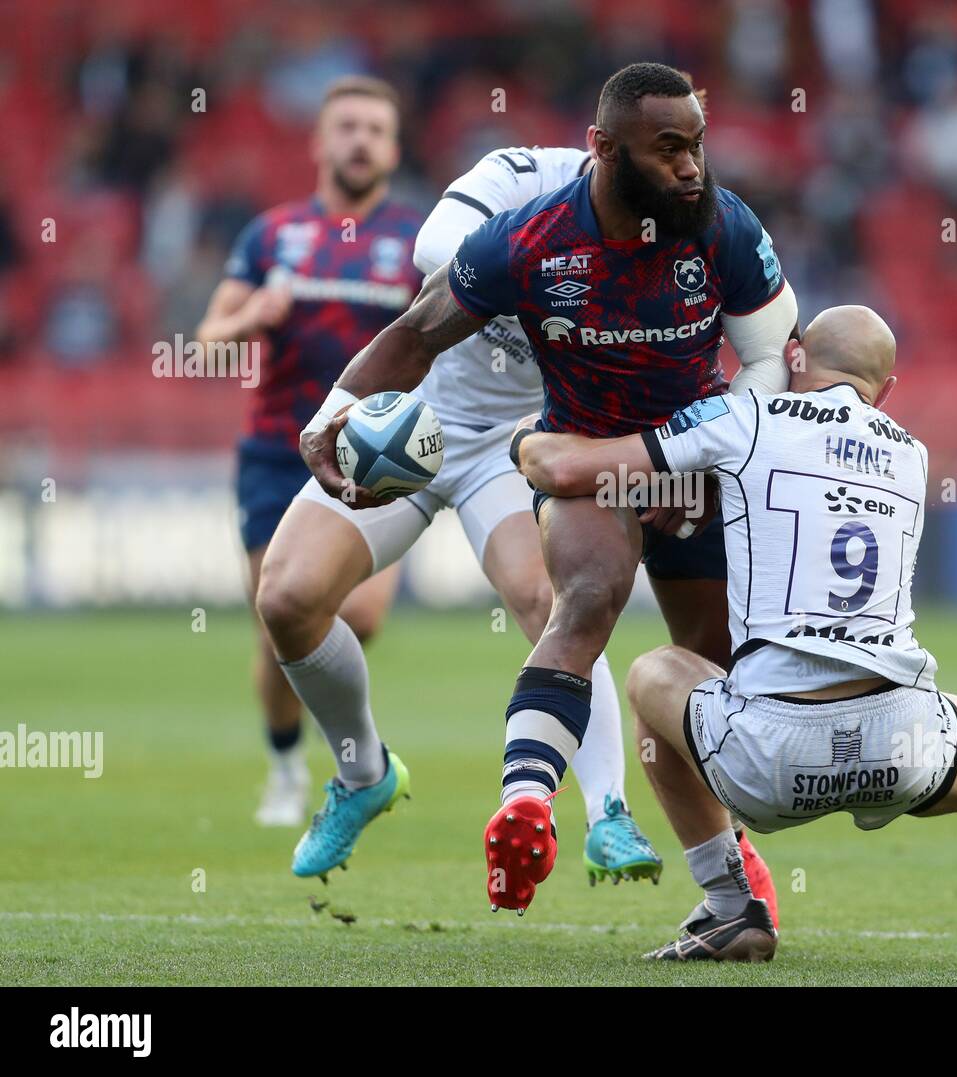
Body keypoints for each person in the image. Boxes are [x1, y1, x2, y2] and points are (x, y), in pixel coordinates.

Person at [514, 305, 957, 963]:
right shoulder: (912, 452)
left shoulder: (750, 418)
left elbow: (572, 467)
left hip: (767, 753)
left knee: (652, 674)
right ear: (886, 392)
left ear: (793, 357)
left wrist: (521, 441)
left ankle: (733, 906)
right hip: (900, 740)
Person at [296, 62, 798, 915]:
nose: (690, 167)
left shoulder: (721, 224)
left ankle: (727, 861)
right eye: (668, 148)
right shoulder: (529, 239)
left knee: (703, 679)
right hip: (584, 457)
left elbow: (768, 357)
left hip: (700, 463)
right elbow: (416, 333)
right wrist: (333, 411)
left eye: (697, 146)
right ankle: (529, 800)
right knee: (582, 603)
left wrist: (697, 454)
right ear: (604, 150)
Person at [257, 143, 665, 888]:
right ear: (595, 150)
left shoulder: (658, 232)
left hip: (520, 445)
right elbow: (433, 248)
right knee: (286, 597)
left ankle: (610, 810)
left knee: (555, 601)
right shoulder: (521, 173)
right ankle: (363, 773)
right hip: (410, 421)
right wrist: (553, 272)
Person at [194, 76, 424, 826]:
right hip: (276, 451)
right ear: (320, 142)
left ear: (392, 148)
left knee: (359, 615)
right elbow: (205, 344)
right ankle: (288, 765)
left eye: (375, 129)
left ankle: (349, 758)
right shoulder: (272, 236)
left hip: (375, 457)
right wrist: (253, 314)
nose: (360, 139)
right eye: (347, 126)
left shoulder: (418, 243)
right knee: (279, 622)